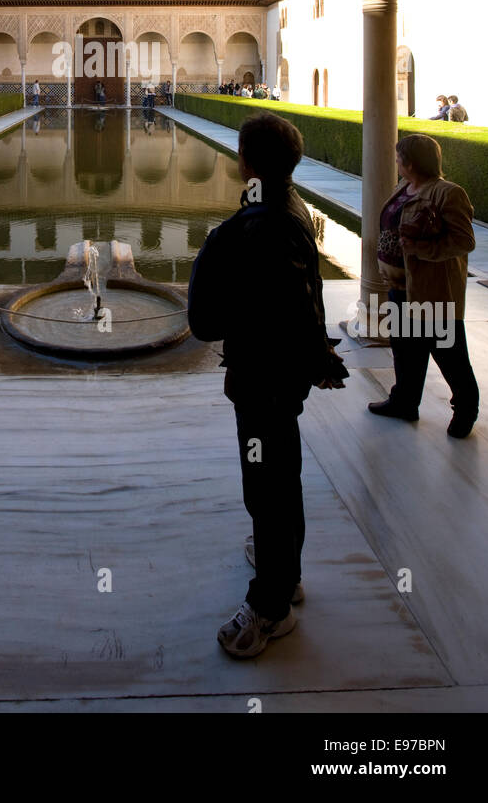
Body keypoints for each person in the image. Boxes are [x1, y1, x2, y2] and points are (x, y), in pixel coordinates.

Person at [188, 111, 348, 658]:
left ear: (246, 161)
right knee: (284, 472)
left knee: (265, 484)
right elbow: (304, 296)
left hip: (260, 378)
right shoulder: (295, 209)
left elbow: (204, 324)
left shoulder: (244, 231)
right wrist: (318, 354)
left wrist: (212, 258)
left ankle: (270, 607)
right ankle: (288, 574)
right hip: (287, 377)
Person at [369, 133, 478, 437]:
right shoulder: (406, 187)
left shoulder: (448, 193)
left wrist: (420, 249)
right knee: (405, 349)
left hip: (431, 290)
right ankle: (404, 401)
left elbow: (464, 241)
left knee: (448, 353)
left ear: (410, 162)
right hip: (402, 287)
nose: (395, 161)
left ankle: (466, 409)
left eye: (398, 157)